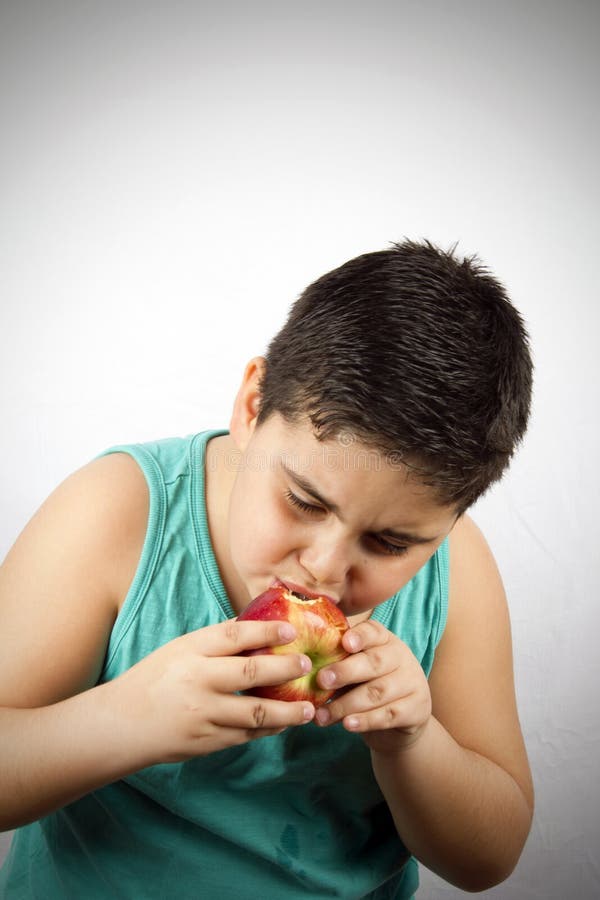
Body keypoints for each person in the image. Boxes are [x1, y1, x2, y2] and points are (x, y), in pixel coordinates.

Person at [0, 240, 534, 899]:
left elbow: (490, 858)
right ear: (252, 406)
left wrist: (414, 743)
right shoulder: (117, 516)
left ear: (450, 521)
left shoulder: (458, 571)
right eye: (304, 501)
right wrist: (125, 719)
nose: (325, 568)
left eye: (391, 543)